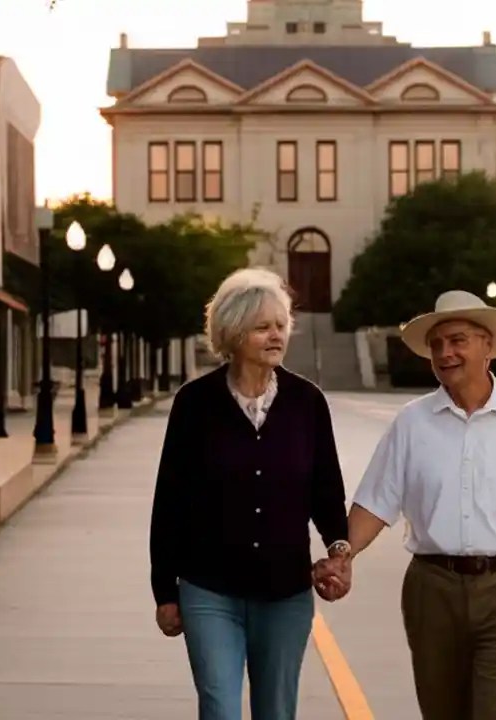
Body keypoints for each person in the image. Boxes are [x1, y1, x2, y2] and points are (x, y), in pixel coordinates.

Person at [319, 289, 496, 719]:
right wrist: (343, 554)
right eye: (437, 345)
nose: (445, 353)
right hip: (432, 591)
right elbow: (375, 504)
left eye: (457, 340)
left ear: (487, 346)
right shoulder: (412, 423)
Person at [149, 267, 353, 720]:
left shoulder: (307, 403)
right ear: (233, 333)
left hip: (285, 594)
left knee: (276, 712)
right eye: (262, 327)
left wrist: (339, 551)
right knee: (219, 707)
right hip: (209, 590)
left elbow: (326, 491)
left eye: (280, 326)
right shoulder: (194, 404)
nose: (275, 336)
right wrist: (165, 590)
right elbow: (170, 503)